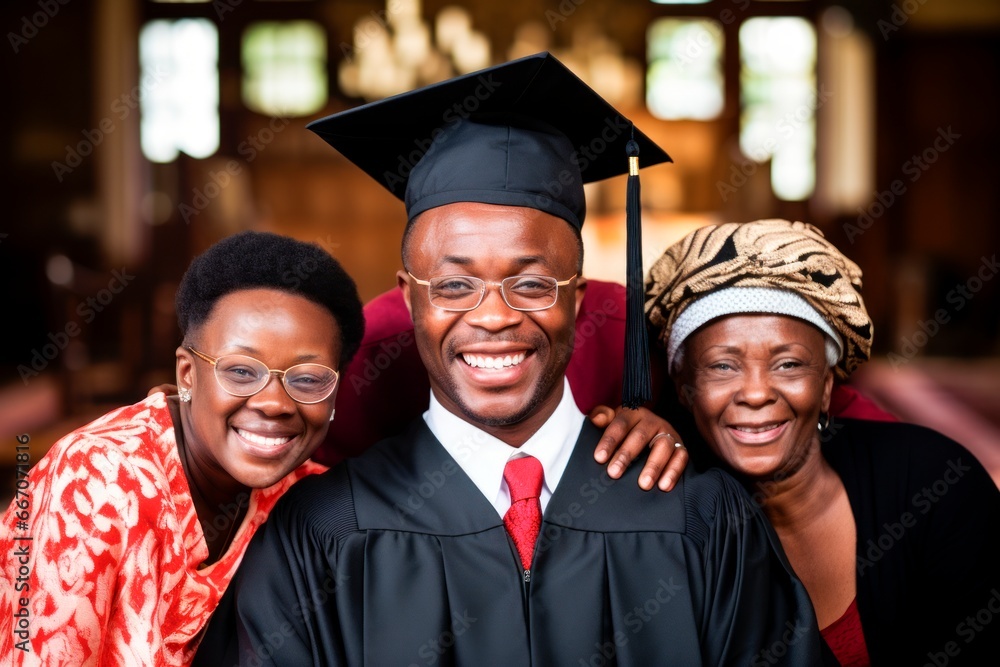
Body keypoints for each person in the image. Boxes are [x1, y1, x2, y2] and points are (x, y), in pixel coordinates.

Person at [201, 52, 827, 665]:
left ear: (578, 300)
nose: (494, 317)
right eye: (453, 285)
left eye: (531, 284)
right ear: (409, 300)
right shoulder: (324, 532)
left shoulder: (700, 517)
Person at [643, 218, 1000, 666]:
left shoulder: (933, 484)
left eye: (789, 364)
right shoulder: (664, 528)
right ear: (685, 387)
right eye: (722, 366)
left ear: (827, 385)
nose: (756, 393)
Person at [0, 231, 365, 666]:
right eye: (242, 371)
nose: (274, 403)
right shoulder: (96, 482)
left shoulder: (311, 502)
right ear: (187, 374)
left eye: (307, 378)